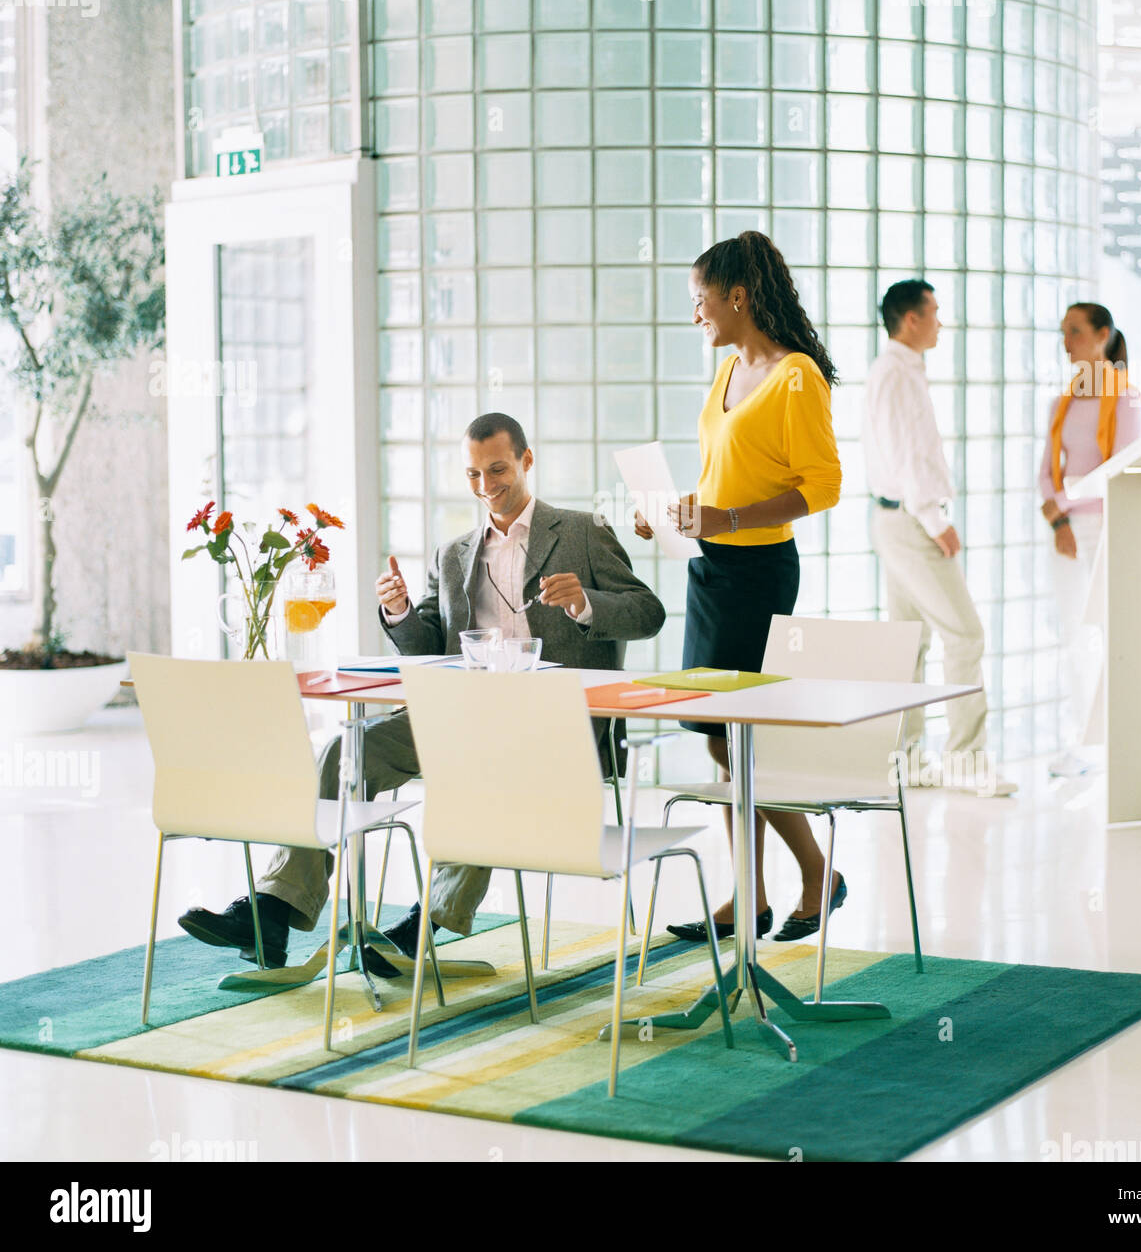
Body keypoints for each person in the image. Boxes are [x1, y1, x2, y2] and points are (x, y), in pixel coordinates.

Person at [178, 412, 665, 970]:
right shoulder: (453, 553)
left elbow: (648, 613)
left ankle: (420, 929)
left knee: (485, 768)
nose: (487, 486)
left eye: (498, 469)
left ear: (527, 462)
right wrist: (399, 609)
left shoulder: (582, 532)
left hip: (555, 728)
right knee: (346, 750)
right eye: (474, 475)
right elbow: (427, 643)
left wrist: (584, 603)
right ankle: (273, 911)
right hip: (460, 716)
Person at [635, 230, 847, 944]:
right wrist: (673, 515)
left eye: (700, 300)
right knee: (720, 741)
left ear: (738, 296)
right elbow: (727, 473)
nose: (695, 314)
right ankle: (750, 896)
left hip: (758, 573)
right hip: (710, 569)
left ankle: (813, 875)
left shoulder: (797, 377)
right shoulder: (726, 373)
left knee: (741, 738)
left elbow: (819, 488)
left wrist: (725, 516)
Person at [863, 279, 1014, 795]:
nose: (941, 322)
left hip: (894, 519)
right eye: (935, 312)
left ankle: (906, 761)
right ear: (912, 320)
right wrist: (935, 519)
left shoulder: (897, 372)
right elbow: (906, 455)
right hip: (910, 521)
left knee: (910, 643)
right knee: (965, 634)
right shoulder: (897, 375)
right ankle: (966, 761)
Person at [1039, 303, 1141, 776]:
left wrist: (1063, 502)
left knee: (1108, 633)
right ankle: (1081, 744)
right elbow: (1045, 472)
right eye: (1064, 333)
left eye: (1076, 332)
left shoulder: (1127, 398)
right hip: (1067, 532)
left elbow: (1116, 471)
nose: (1067, 343)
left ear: (1103, 336)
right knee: (1073, 638)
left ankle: (1114, 745)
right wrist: (1059, 520)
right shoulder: (1061, 402)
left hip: (1106, 528)